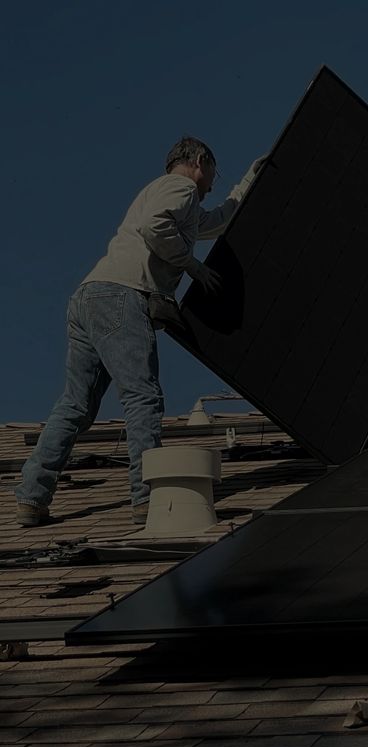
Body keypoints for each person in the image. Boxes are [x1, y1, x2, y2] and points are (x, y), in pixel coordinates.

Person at [15, 136, 264, 527]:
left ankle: (31, 496)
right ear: (200, 161)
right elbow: (155, 226)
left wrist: (249, 181)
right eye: (214, 172)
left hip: (89, 296)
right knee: (142, 397)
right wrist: (192, 266)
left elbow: (214, 222)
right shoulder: (179, 187)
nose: (213, 182)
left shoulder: (168, 196)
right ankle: (147, 499)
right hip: (122, 296)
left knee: (75, 406)